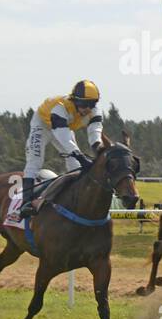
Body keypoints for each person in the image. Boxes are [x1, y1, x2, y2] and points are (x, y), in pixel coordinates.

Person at [19, 80, 104, 218]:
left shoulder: (94, 112)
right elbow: (63, 137)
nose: (88, 108)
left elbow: (95, 132)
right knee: (34, 161)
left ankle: (78, 201)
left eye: (92, 104)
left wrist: (98, 147)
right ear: (75, 100)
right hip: (43, 125)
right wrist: (81, 156)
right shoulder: (60, 108)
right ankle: (26, 202)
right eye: (83, 104)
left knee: (75, 165)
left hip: (64, 127)